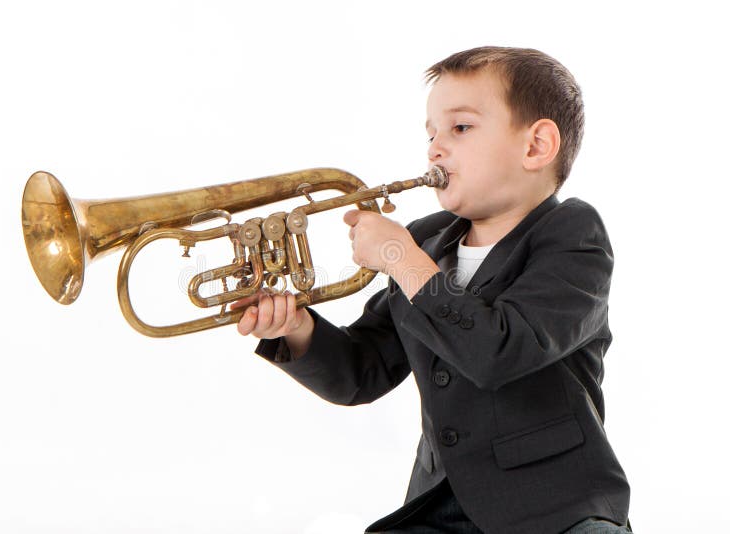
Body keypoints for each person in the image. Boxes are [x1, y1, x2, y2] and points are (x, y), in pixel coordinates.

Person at [231, 46, 632, 534]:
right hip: (437, 508)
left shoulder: (573, 234)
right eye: (431, 133)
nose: (435, 148)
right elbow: (363, 371)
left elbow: (500, 352)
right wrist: (295, 327)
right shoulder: (428, 238)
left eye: (460, 128)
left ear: (536, 146)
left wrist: (402, 259)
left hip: (557, 510)